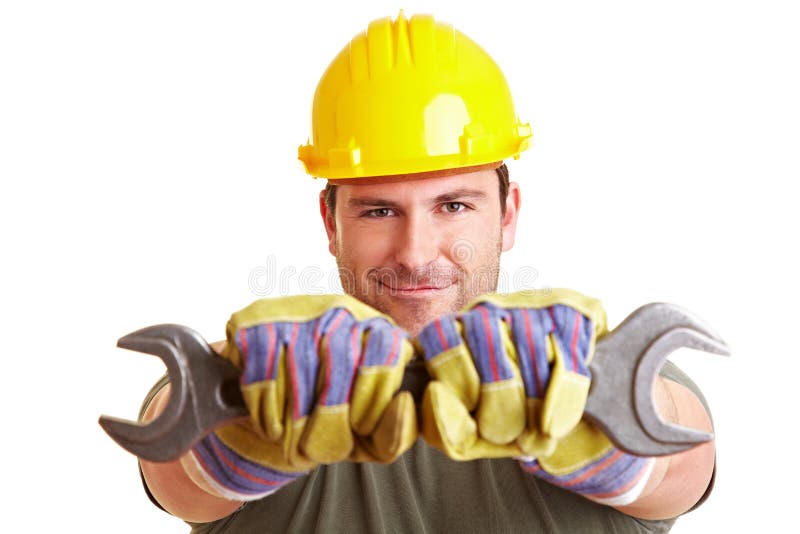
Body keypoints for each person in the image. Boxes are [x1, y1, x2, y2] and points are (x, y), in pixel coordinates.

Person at [137, 12, 716, 532]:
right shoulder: (264, 374)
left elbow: (682, 465)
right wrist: (236, 417)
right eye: (380, 210)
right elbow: (176, 469)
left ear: (507, 214)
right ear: (331, 222)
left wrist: (609, 424)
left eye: (453, 205)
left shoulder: (591, 366)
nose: (414, 253)